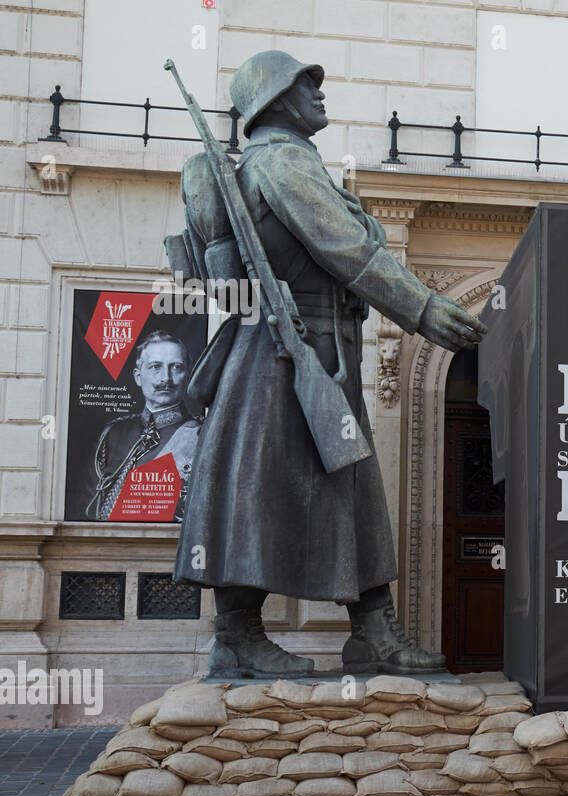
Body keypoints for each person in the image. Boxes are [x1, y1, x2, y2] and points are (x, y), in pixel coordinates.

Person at [173, 51, 487, 678]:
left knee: (344, 490)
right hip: (287, 354)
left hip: (308, 352)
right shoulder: (283, 160)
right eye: (303, 83)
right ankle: (239, 635)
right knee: (262, 492)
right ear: (273, 99)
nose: (318, 92)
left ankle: (369, 629)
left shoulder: (289, 160)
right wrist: (425, 310)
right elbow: (348, 253)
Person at [83, 331, 200, 522]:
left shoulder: (201, 434)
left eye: (176, 367)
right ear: (138, 377)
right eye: (155, 367)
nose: (165, 379)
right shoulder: (112, 434)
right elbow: (87, 505)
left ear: (187, 375)